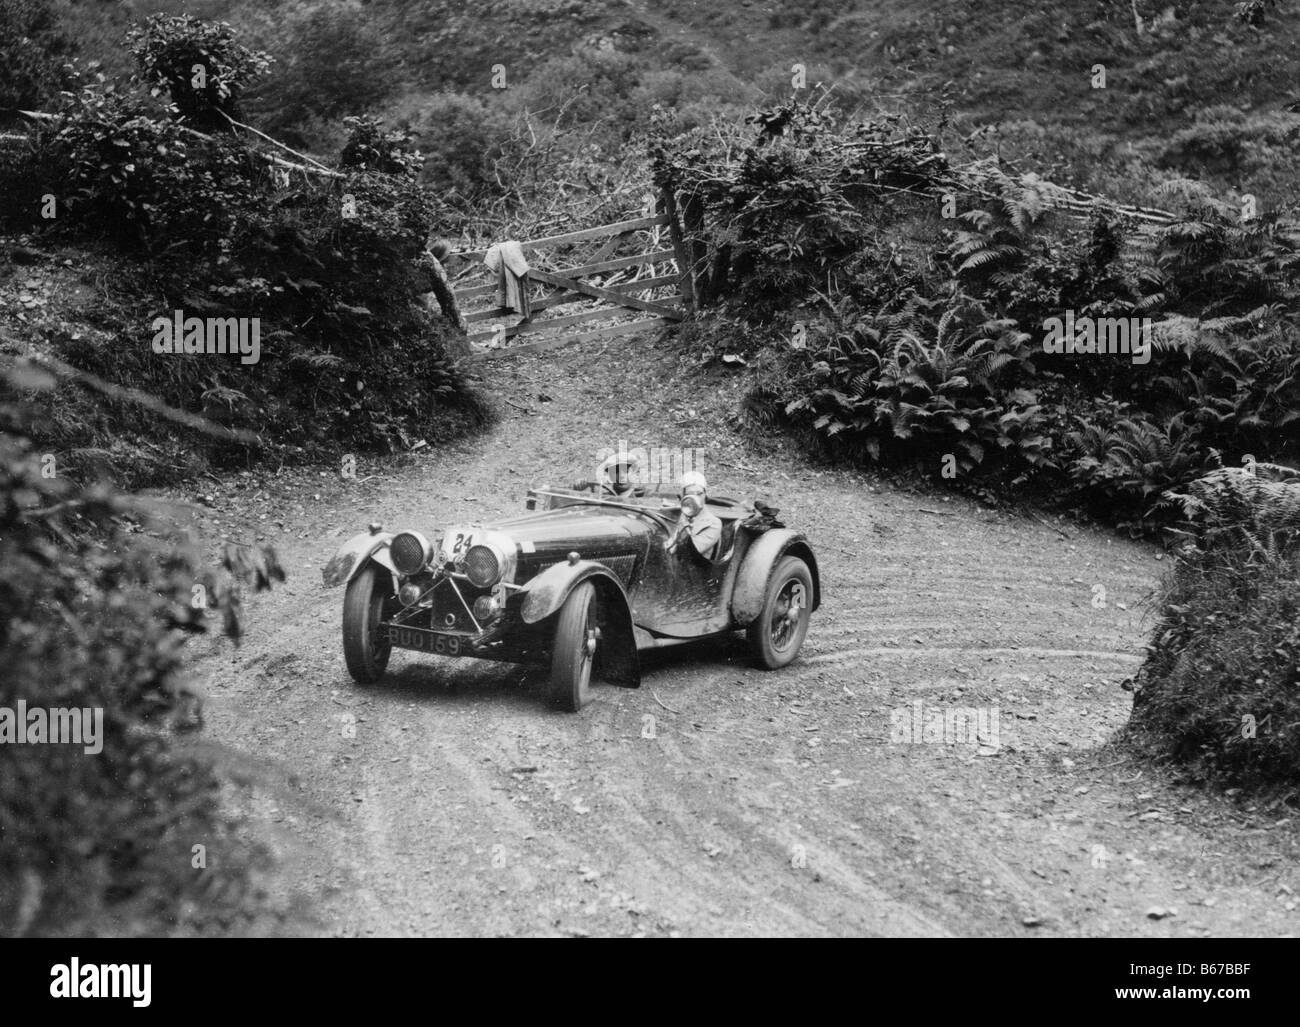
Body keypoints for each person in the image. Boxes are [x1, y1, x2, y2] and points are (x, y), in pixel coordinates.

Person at [667, 470, 722, 561]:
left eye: (699, 494)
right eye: (690, 494)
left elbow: (686, 553)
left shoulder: (713, 523)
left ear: (705, 495)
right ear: (682, 496)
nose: (696, 498)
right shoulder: (675, 513)